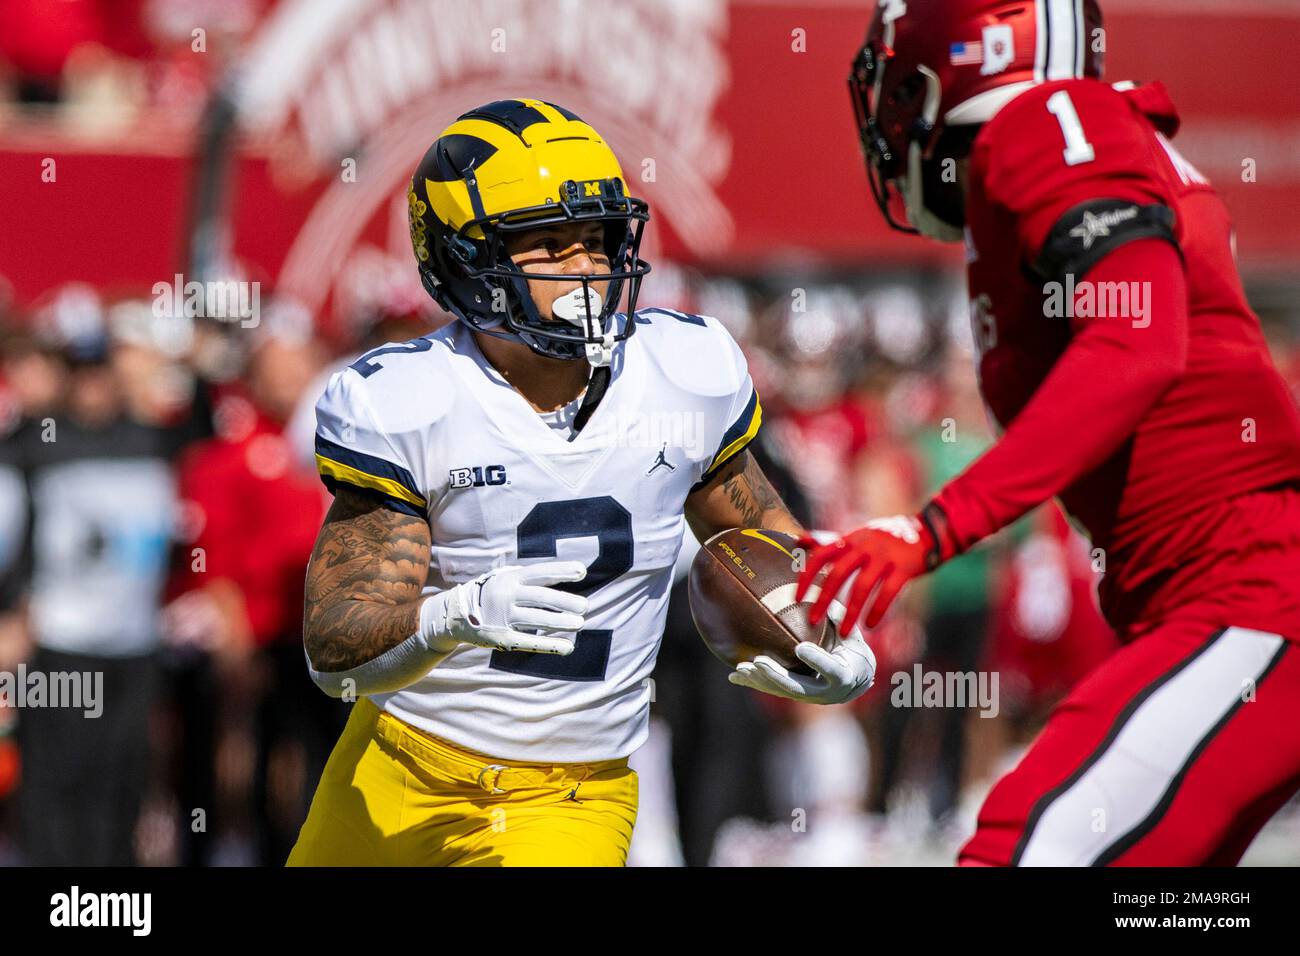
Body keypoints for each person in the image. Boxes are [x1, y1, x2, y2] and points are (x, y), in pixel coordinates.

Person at [287, 99, 878, 866]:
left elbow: (760, 536)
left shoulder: (681, 373)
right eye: (549, 243)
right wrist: (452, 617)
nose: (586, 268)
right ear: (467, 258)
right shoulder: (412, 400)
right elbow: (335, 642)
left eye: (596, 240)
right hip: (397, 765)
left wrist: (830, 628)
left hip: (568, 794)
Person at [800, 0, 1300, 865]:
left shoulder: (1049, 121)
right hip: (1207, 599)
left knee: (1025, 849)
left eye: (900, 89)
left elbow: (1137, 339)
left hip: (1247, 591)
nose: (890, 119)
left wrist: (932, 529)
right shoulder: (1064, 144)